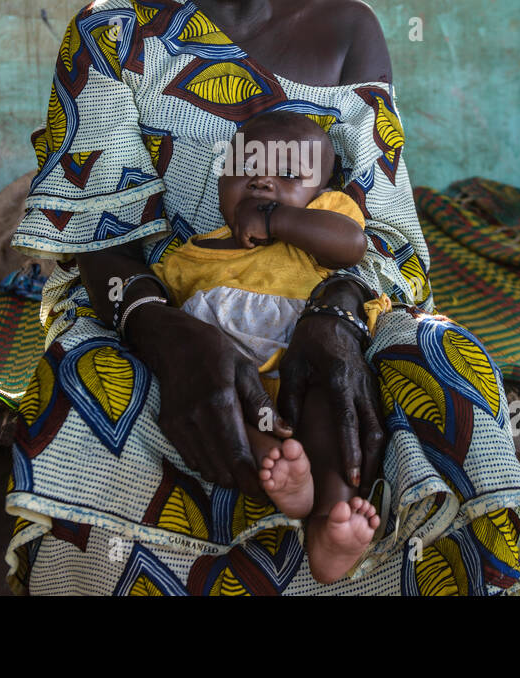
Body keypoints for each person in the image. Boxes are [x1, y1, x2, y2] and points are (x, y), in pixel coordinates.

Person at [5, 0, 520, 596]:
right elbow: (90, 231)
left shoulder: (348, 31)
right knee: (85, 387)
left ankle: (355, 543)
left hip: (328, 296)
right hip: (156, 303)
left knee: (447, 366)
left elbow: (389, 236)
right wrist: (169, 337)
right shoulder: (113, 33)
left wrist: (332, 322)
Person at [149, 110, 390, 583]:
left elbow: (352, 245)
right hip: (234, 371)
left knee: (330, 412)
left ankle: (329, 526)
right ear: (221, 181)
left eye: (286, 173)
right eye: (247, 167)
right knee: (232, 412)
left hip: (308, 357)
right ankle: (285, 480)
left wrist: (277, 219)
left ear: (318, 191)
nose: (262, 179)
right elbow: (167, 319)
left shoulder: (322, 222)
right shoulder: (188, 256)